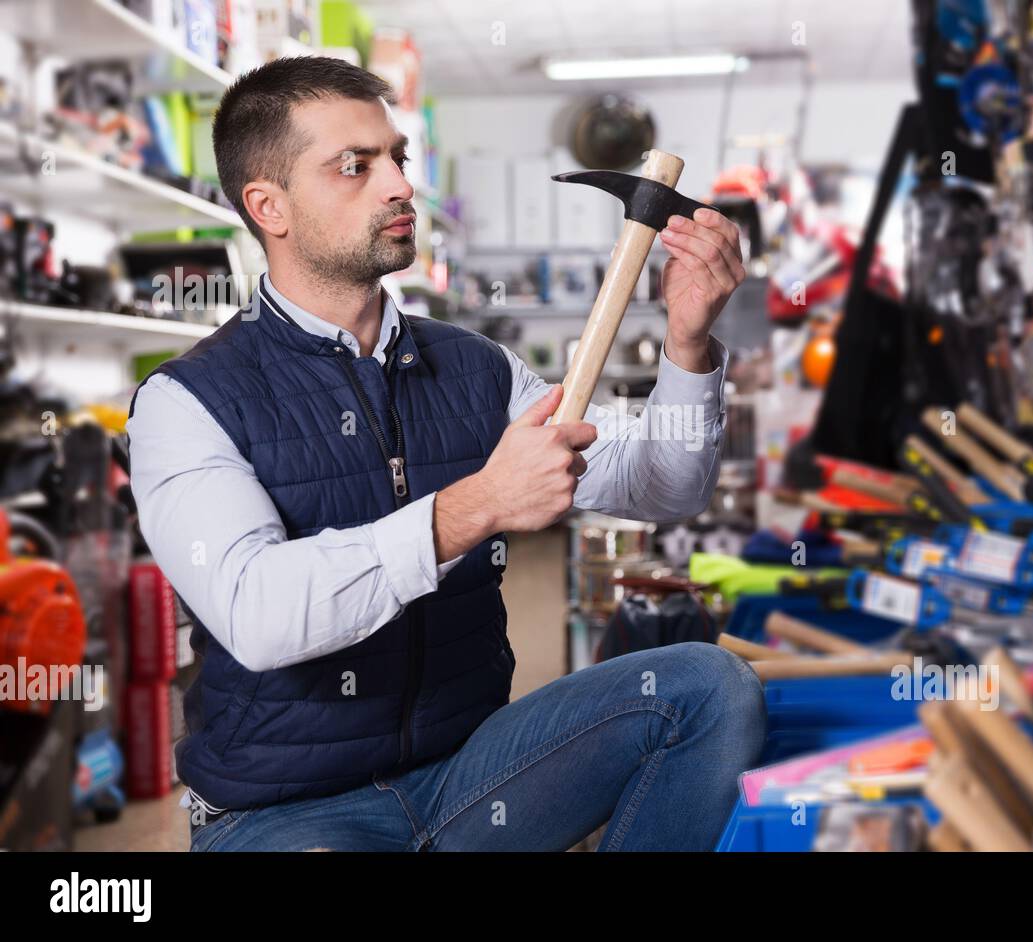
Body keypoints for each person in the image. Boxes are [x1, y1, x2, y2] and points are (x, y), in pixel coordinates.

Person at [125, 56, 765, 851]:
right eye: (354, 167)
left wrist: (689, 340)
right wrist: (479, 506)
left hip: (472, 776)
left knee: (710, 688)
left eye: (397, 157)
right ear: (269, 205)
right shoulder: (188, 401)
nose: (398, 185)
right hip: (285, 814)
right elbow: (260, 615)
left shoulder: (475, 367)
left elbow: (661, 486)